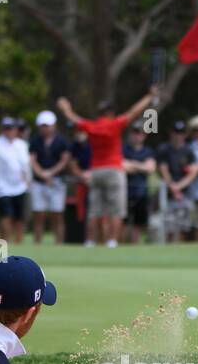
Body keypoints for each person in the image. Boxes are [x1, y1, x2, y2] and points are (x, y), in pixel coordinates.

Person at [55, 86, 158, 247]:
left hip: (96, 171)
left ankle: (89, 241)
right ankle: (112, 241)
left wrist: (65, 108)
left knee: (95, 210)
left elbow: (74, 118)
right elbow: (134, 112)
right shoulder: (114, 124)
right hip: (114, 170)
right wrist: (149, 96)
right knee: (116, 209)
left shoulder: (91, 126)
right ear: (110, 113)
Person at [0, 116, 30, 244]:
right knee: (6, 216)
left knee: (19, 218)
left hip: (19, 187)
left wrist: (27, 180)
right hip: (3, 187)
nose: (9, 131)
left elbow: (25, 165)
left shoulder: (21, 145)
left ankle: (18, 243)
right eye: (6, 128)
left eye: (11, 128)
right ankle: (4, 243)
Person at [28, 109, 70, 244]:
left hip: (57, 181)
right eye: (42, 126)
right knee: (38, 214)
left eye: (47, 125)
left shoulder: (61, 141)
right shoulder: (35, 141)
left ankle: (59, 244)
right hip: (39, 181)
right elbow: (32, 160)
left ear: (53, 125)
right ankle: (37, 243)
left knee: (57, 214)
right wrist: (42, 174)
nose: (44, 128)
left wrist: (51, 173)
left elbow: (64, 160)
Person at [156, 121, 195, 243]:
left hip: (185, 193)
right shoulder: (164, 149)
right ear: (171, 134)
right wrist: (173, 187)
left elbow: (192, 172)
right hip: (168, 194)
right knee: (169, 228)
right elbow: (163, 169)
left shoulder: (189, 151)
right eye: (176, 133)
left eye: (181, 133)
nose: (178, 136)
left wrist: (179, 187)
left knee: (184, 227)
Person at [121, 124, 155, 243]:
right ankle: (122, 246)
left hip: (141, 193)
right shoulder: (124, 149)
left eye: (139, 133)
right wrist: (141, 166)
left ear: (144, 136)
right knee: (123, 223)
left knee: (138, 224)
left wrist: (132, 164)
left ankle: (134, 246)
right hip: (125, 192)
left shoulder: (148, 151)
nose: (137, 136)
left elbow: (150, 168)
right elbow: (122, 166)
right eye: (134, 133)